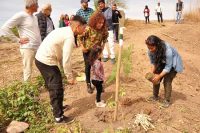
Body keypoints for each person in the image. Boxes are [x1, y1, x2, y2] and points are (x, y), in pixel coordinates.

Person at [35, 15, 87, 123]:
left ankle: (57, 107)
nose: (85, 29)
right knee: (56, 87)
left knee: (55, 85)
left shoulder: (65, 31)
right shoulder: (69, 37)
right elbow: (66, 60)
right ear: (77, 26)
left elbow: (61, 54)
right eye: (84, 27)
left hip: (42, 59)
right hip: (46, 61)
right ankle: (58, 117)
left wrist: (64, 69)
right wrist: (69, 77)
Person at [1, 0, 41, 82]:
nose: (38, 6)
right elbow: (5, 28)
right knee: (28, 70)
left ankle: (46, 83)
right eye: (37, 4)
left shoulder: (35, 17)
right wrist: (18, 40)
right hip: (28, 48)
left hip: (38, 47)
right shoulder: (21, 15)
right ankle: (27, 90)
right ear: (31, 5)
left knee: (43, 65)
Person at [145, 35, 183, 108]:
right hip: (161, 61)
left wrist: (159, 76)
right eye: (148, 48)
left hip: (171, 64)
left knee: (167, 81)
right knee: (154, 78)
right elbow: (154, 63)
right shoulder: (150, 50)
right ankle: (155, 96)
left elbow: (168, 67)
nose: (150, 50)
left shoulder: (167, 50)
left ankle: (167, 100)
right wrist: (153, 73)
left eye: (152, 48)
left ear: (157, 45)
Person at [78, 11, 108, 94]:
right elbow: (79, 37)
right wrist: (82, 47)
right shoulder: (88, 28)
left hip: (97, 51)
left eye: (102, 23)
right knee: (88, 67)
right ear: (95, 21)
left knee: (98, 68)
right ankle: (88, 84)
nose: (101, 24)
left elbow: (105, 39)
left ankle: (99, 84)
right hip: (87, 51)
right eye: (99, 23)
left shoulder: (103, 30)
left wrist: (102, 49)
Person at [98, 0, 116, 64]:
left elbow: (109, 17)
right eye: (99, 4)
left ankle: (112, 57)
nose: (100, 5)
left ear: (104, 4)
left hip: (109, 29)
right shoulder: (99, 12)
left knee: (111, 44)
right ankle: (105, 56)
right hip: (102, 30)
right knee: (103, 44)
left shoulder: (109, 9)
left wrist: (101, 19)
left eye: (101, 3)